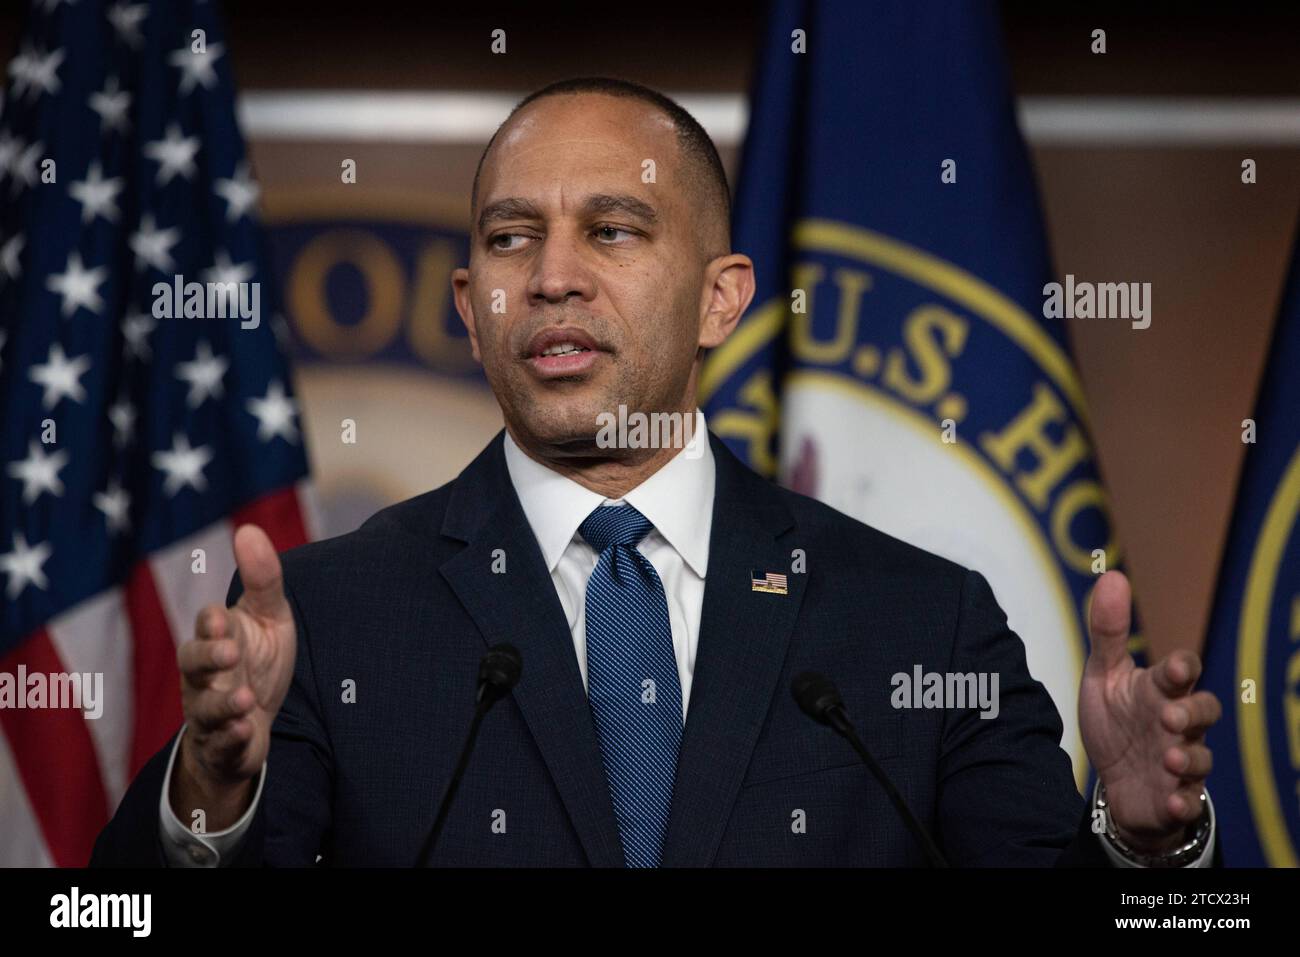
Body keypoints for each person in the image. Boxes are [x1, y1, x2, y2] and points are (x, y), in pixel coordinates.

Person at [91, 76, 1221, 867]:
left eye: (616, 231)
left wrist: (1142, 847)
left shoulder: (920, 625)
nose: (552, 278)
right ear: (469, 314)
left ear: (723, 298)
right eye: (510, 236)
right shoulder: (327, 620)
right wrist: (211, 795)